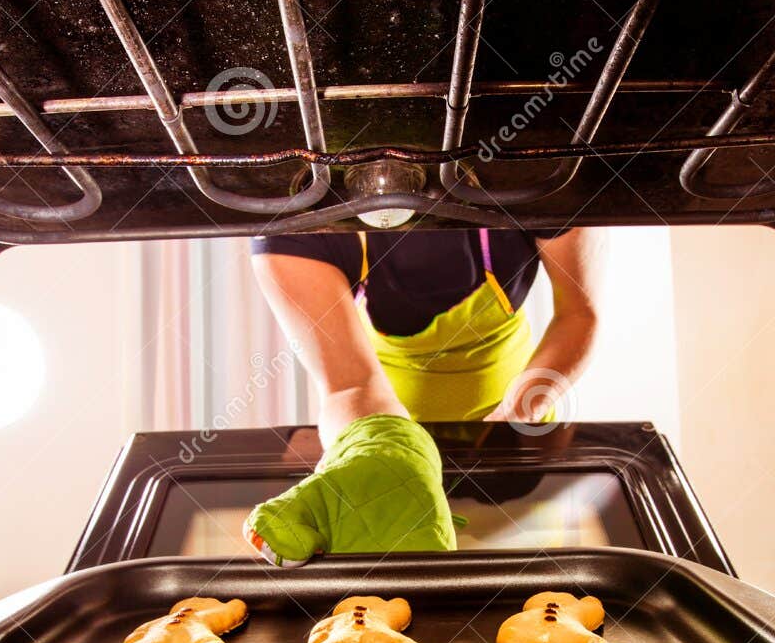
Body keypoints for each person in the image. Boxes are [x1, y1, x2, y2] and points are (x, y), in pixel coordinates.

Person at [243, 227, 603, 564]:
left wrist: (524, 406)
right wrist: (389, 457)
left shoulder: (532, 173)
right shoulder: (296, 225)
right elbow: (350, 385)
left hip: (519, 453)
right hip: (385, 454)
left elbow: (578, 314)